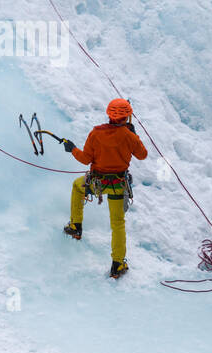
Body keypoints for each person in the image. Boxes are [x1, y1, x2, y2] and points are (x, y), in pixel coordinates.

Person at [61, 98, 148, 279]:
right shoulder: (129, 136)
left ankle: (76, 226)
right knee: (118, 223)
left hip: (96, 183)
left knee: (78, 186)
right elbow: (142, 155)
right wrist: (134, 134)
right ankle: (118, 264)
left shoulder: (96, 133)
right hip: (118, 185)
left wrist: (73, 149)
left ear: (109, 114)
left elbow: (85, 159)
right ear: (127, 117)